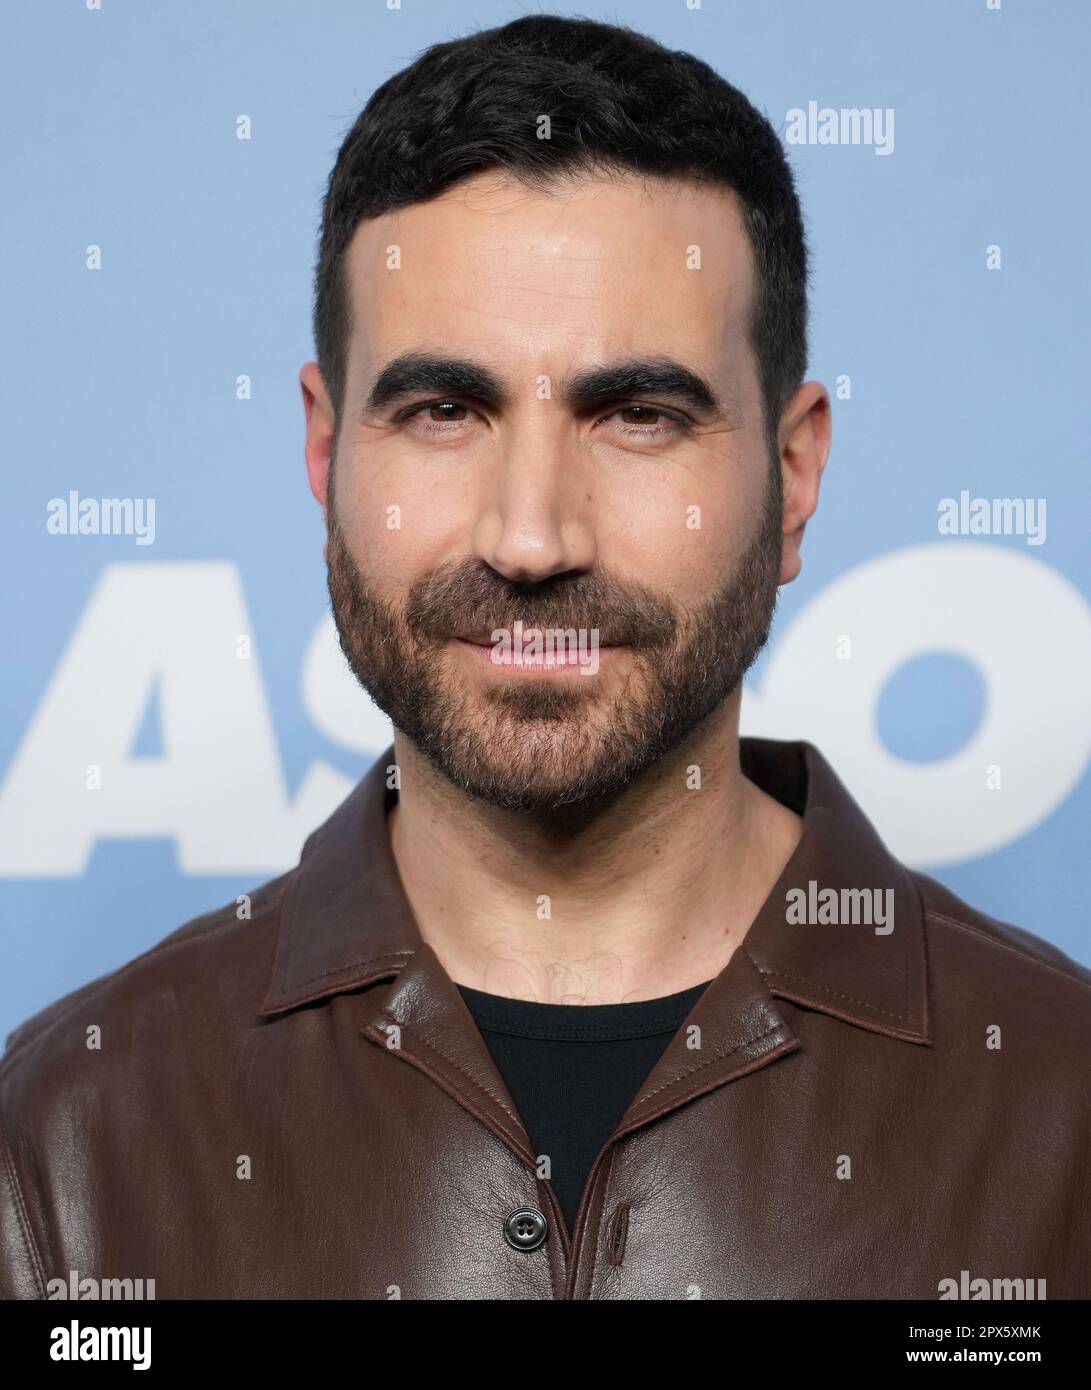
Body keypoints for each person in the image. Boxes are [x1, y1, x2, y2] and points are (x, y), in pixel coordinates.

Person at [2, 14, 1088, 1301]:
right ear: (324, 449)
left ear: (792, 478)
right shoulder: (63, 1137)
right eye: (443, 411)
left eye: (636, 415)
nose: (529, 537)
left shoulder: (1062, 1104)